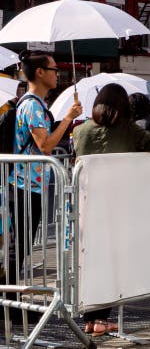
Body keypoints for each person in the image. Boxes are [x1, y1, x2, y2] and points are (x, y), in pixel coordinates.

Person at [74, 83, 150, 336]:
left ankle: (90, 318)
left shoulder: (80, 131)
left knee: (88, 260)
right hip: (116, 205)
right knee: (111, 261)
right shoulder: (129, 130)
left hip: (85, 203)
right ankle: (102, 319)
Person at [9, 51, 82, 290]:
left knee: (20, 245)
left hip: (29, 184)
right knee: (18, 246)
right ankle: (7, 302)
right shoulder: (32, 106)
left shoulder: (37, 104)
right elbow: (46, 146)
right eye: (53, 69)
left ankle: (9, 300)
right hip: (24, 185)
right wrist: (68, 118)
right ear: (40, 73)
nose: (57, 74)